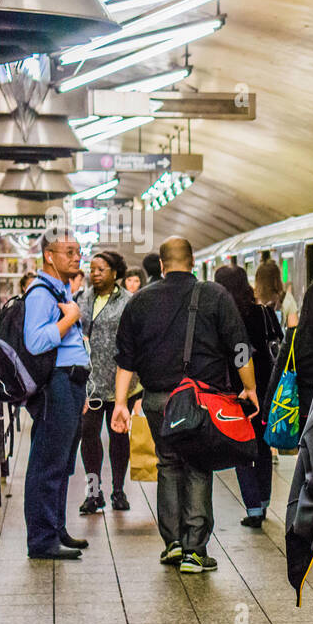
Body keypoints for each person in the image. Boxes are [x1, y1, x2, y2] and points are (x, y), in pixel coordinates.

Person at [110, 236, 258, 574]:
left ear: (161, 265)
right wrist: (249, 387)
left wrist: (120, 402)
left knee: (168, 464)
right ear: (192, 262)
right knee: (198, 465)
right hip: (201, 401)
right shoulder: (215, 295)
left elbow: (125, 359)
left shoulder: (140, 301)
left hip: (158, 400)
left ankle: (173, 543)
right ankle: (194, 550)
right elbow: (239, 348)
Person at [23, 237, 91, 560]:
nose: (77, 257)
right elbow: (36, 342)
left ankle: (56, 528)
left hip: (72, 383)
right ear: (49, 256)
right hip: (56, 385)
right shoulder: (40, 293)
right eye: (69, 252)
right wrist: (70, 318)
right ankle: (41, 539)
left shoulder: (60, 290)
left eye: (78, 252)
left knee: (62, 463)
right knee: (47, 463)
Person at [214, 264, 281, 528]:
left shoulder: (223, 316)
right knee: (263, 446)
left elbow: (236, 352)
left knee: (242, 447)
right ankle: (263, 502)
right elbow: (278, 344)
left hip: (238, 390)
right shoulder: (264, 313)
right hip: (266, 388)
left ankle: (253, 509)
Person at [77, 251, 132, 514]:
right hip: (91, 381)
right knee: (88, 433)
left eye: (101, 269)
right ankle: (93, 492)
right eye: (92, 269)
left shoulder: (128, 301)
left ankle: (118, 490)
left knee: (118, 435)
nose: (95, 273)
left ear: (114, 272)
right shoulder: (83, 298)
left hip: (121, 380)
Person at [268, 278, 313, 417]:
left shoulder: (294, 337)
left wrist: (266, 416)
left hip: (302, 416)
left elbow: (277, 376)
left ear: (306, 308)